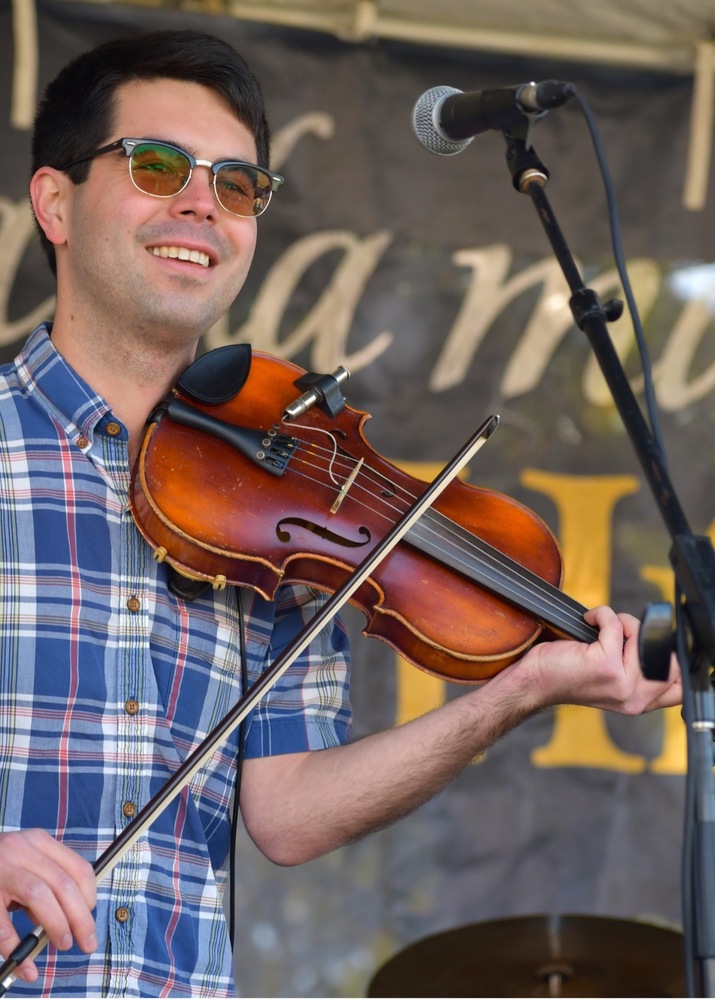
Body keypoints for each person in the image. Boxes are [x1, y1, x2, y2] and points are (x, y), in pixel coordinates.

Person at [0, 27, 680, 998]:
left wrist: (520, 689)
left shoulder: (279, 504)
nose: (202, 203)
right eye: (158, 166)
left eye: (239, 184)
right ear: (55, 203)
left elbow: (290, 812)